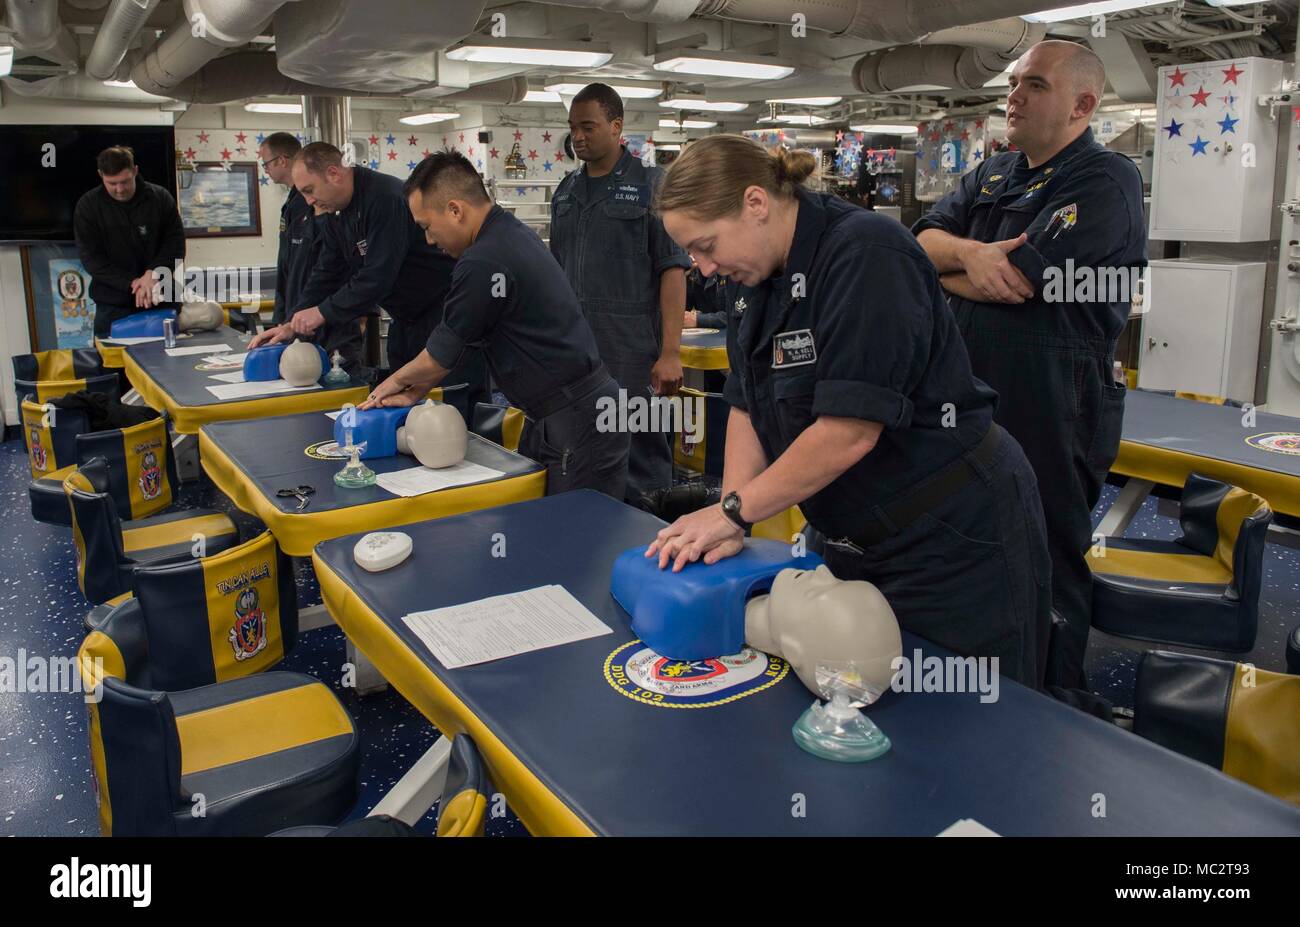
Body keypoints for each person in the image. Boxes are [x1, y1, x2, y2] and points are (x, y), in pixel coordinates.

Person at [645, 135, 1052, 688]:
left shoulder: (866, 254)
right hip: (849, 533)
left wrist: (732, 513)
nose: (704, 267)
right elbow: (745, 401)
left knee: (971, 716)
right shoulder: (753, 279)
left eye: (706, 244)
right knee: (853, 702)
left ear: (755, 203)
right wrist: (731, 517)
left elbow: (850, 430)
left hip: (950, 535)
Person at [913, 40, 1146, 689]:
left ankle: (1056, 699)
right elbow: (919, 244)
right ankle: (989, 679)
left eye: (1034, 85)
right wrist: (970, 257)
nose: (1013, 94)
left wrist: (955, 271)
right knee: (977, 537)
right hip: (975, 386)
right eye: (1015, 81)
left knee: (1046, 551)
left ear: (1083, 105)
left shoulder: (1103, 181)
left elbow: (1017, 281)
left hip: (1056, 396)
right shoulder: (994, 174)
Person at [361, 151, 629, 498]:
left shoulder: (483, 260)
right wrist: (418, 388)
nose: (429, 240)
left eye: (427, 227)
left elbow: (439, 354)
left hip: (576, 419)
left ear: (455, 210)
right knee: (547, 527)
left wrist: (387, 387)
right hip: (563, 413)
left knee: (578, 537)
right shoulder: (510, 233)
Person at [251, 142, 488, 405]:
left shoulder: (384, 198)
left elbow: (377, 277)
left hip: (442, 313)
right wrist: (292, 323)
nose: (309, 201)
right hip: (405, 319)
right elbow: (327, 271)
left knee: (453, 402)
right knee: (403, 402)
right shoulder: (334, 212)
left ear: (333, 173)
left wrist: (321, 313)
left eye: (310, 190)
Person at [551, 83, 691, 501]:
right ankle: (595, 541)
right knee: (583, 448)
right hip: (577, 348)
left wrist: (670, 352)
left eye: (588, 126)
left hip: (633, 349)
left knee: (642, 454)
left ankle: (650, 541)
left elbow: (672, 269)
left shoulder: (653, 185)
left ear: (616, 126)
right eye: (573, 127)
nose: (578, 136)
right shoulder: (565, 192)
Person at [258, 132, 363, 374]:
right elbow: (292, 267)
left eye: (266, 163)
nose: (311, 200)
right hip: (304, 313)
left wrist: (356, 312)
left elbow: (339, 267)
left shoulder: (331, 206)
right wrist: (287, 318)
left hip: (332, 320)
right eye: (305, 193)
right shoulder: (296, 204)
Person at [74, 145, 186, 337]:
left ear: (135, 170)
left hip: (162, 298)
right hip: (113, 305)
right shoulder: (88, 206)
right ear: (101, 175)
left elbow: (175, 245)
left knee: (171, 361)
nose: (120, 189)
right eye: (112, 183)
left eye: (125, 181)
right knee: (111, 365)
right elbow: (92, 260)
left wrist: (153, 273)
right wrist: (133, 283)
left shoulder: (160, 198)